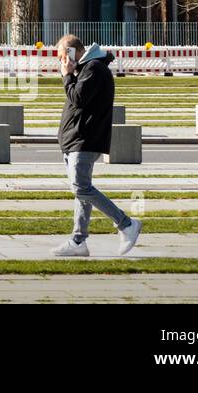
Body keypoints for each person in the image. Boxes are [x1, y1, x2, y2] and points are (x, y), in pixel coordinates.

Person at [52, 34, 141, 257]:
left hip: (85, 139)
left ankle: (126, 223)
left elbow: (78, 98)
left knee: (80, 187)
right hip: (76, 139)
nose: (61, 62)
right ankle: (78, 241)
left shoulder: (93, 68)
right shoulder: (88, 68)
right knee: (82, 191)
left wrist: (67, 76)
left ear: (72, 52)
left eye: (63, 56)